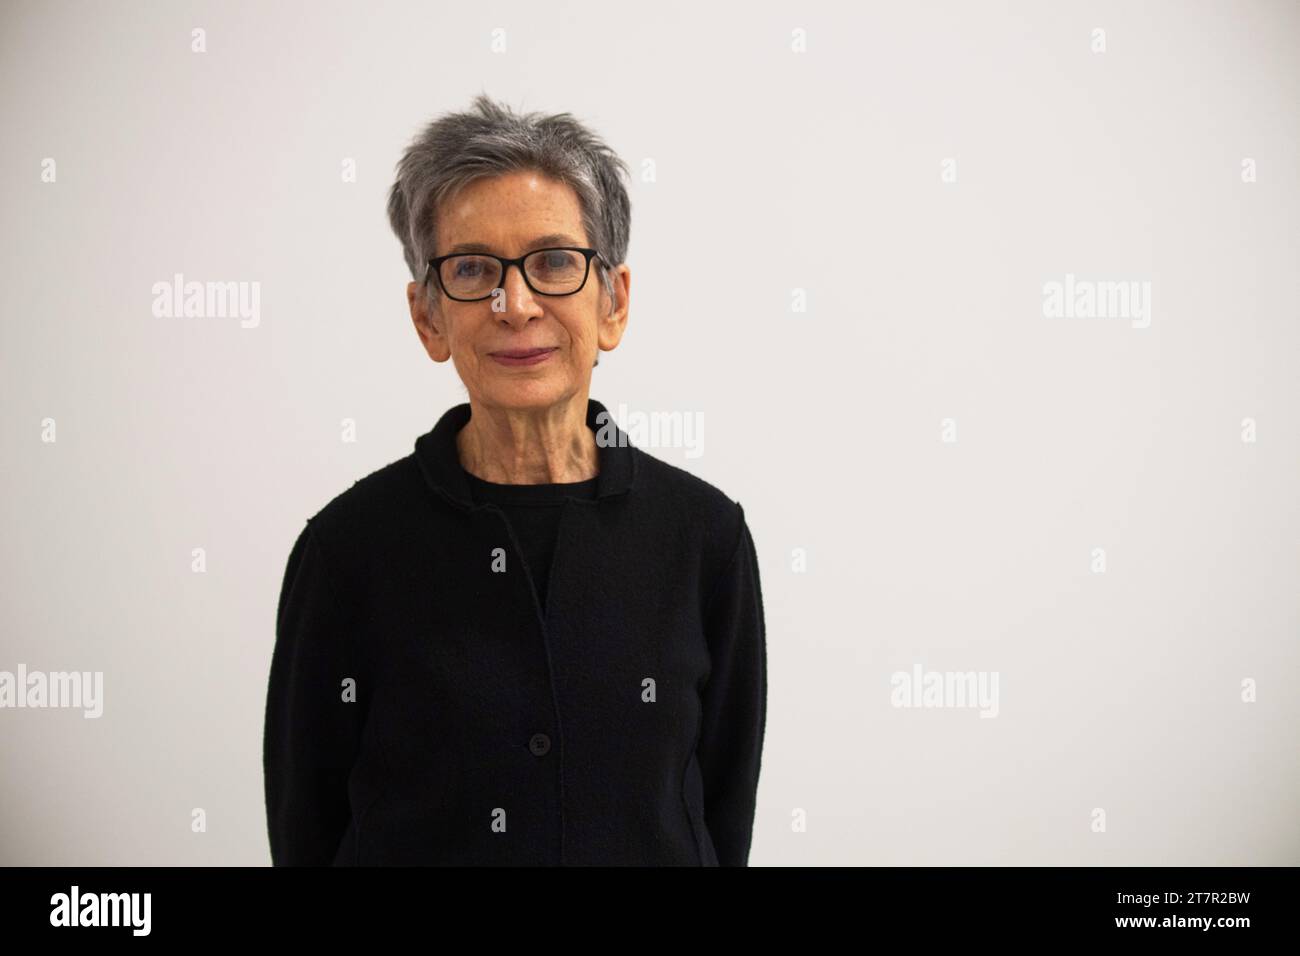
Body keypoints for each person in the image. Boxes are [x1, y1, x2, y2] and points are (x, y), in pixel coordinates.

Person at [262, 94, 767, 865]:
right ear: (429, 317)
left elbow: (723, 815)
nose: (516, 304)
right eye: (472, 269)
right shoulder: (346, 551)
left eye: (555, 261)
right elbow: (308, 825)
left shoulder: (704, 539)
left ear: (613, 302)